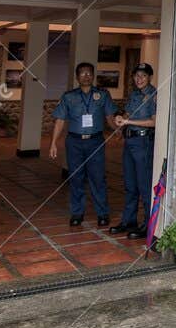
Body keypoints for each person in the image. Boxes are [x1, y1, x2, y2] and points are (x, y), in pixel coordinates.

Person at [49, 62, 120, 227]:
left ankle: (102, 213)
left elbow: (110, 116)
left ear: (93, 76)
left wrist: (118, 130)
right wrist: (53, 143)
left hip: (95, 141)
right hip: (74, 142)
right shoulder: (69, 96)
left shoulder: (103, 95)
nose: (86, 76)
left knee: (98, 178)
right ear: (77, 77)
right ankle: (77, 213)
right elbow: (59, 121)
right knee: (76, 178)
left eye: (89, 73)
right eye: (82, 73)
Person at [113, 62, 158, 238]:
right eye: (137, 76)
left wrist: (128, 122)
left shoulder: (154, 94)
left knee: (144, 185)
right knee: (130, 185)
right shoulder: (134, 95)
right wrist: (121, 119)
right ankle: (128, 220)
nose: (139, 79)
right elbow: (128, 114)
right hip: (130, 140)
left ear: (149, 78)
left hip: (143, 141)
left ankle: (148, 224)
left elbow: (154, 122)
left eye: (143, 76)